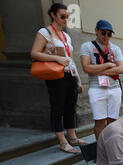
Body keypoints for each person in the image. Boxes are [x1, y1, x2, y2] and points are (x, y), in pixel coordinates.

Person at [30, 3, 86, 154]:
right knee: (58, 107)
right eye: (62, 16)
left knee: (70, 106)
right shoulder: (45, 32)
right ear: (53, 15)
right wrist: (56, 58)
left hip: (70, 74)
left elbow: (71, 59)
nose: (65, 19)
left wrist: (78, 79)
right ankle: (62, 141)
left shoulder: (66, 36)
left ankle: (72, 137)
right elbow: (34, 53)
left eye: (67, 17)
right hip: (56, 75)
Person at [80, 20, 123, 140]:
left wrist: (98, 70)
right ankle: (101, 150)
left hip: (114, 88)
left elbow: (121, 69)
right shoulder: (87, 46)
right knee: (99, 122)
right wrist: (109, 65)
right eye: (103, 32)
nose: (106, 36)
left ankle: (111, 148)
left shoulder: (115, 48)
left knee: (113, 121)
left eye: (109, 34)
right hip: (97, 88)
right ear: (96, 31)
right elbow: (86, 68)